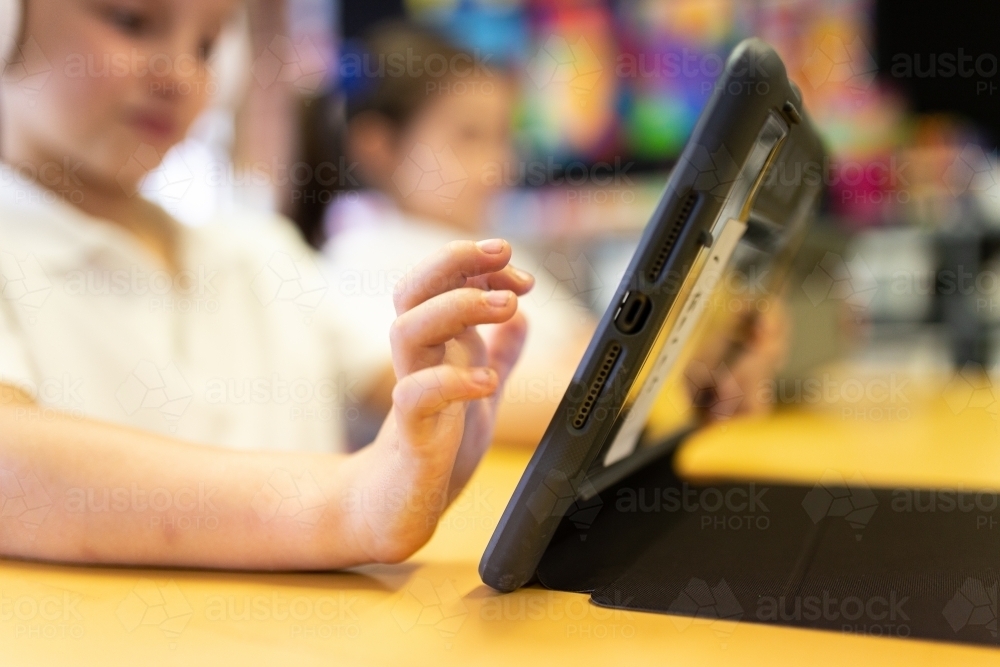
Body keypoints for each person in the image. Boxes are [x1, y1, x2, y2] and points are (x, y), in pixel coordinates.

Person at [0, 0, 534, 568]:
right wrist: (348, 504)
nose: (180, 72)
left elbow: (392, 378)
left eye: (206, 47)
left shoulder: (255, 251)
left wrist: (457, 409)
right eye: (131, 21)